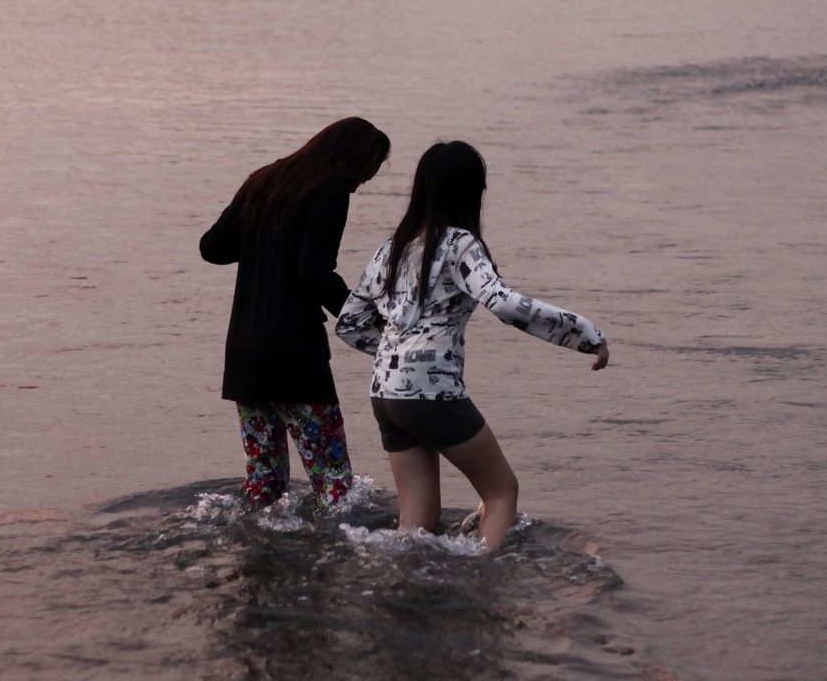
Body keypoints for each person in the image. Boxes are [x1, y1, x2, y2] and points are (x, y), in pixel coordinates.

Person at [335, 141, 610, 551]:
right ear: (470, 191)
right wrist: (587, 336)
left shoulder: (391, 248)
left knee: (416, 524)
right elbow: (503, 303)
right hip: (432, 394)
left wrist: (397, 355)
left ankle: (402, 593)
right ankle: (483, 583)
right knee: (501, 493)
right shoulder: (461, 244)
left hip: (385, 394)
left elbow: (349, 322)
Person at [200, 117, 391, 510]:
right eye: (368, 170)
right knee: (334, 486)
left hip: (244, 354)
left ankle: (255, 558)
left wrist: (265, 239)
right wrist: (369, 319)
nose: (364, 181)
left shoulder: (264, 180)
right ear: (352, 158)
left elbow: (212, 247)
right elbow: (314, 273)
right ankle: (332, 564)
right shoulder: (331, 189)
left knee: (263, 483)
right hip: (294, 356)